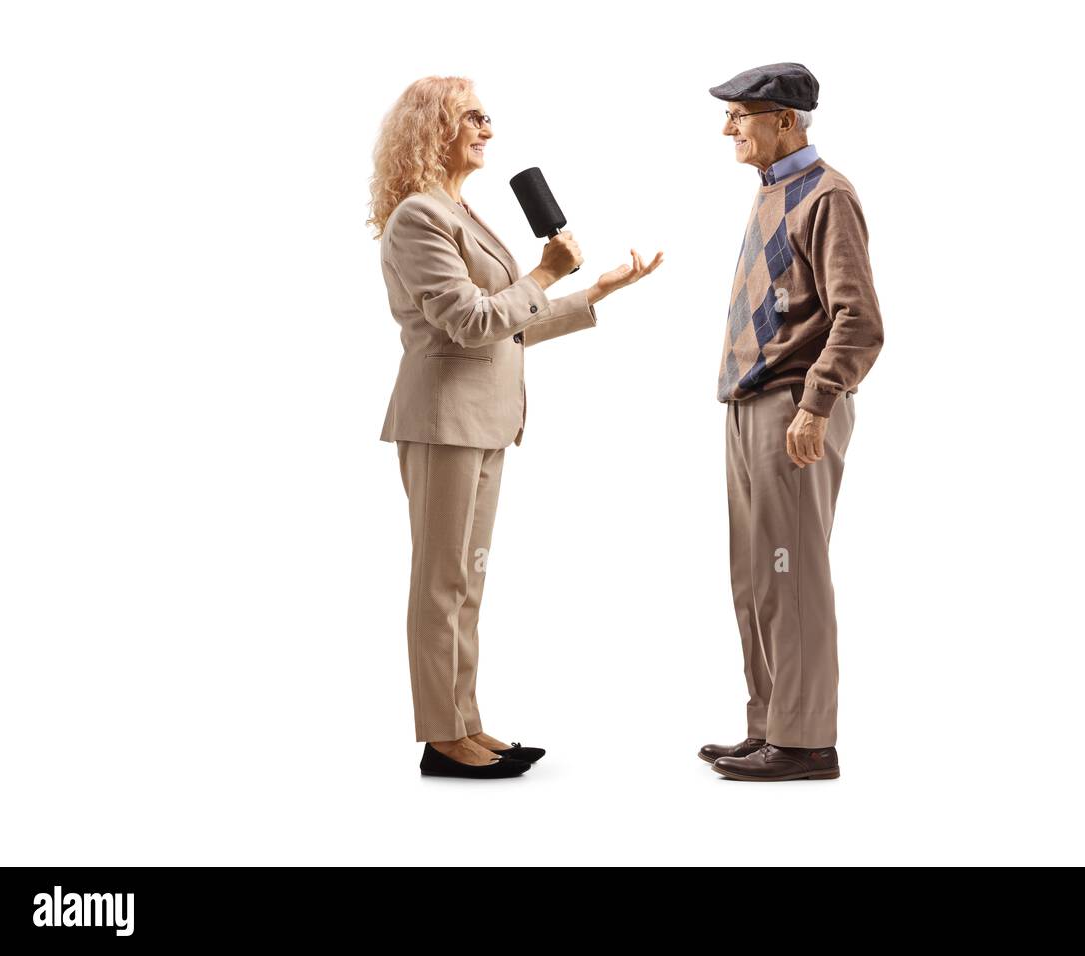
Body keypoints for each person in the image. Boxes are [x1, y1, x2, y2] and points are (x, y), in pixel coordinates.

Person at [367, 76, 662, 779]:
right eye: (473, 117)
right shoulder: (418, 218)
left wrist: (592, 291)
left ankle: (466, 722)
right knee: (441, 584)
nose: (488, 129)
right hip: (443, 421)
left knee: (466, 582)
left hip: (489, 421)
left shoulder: (459, 210)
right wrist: (545, 270)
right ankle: (443, 737)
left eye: (488, 117)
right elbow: (469, 324)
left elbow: (509, 326)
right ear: (432, 127)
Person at [697, 63, 884, 782]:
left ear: (786, 121)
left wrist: (818, 400)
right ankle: (770, 724)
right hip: (748, 405)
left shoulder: (827, 195)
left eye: (740, 115)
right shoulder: (773, 193)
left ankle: (806, 741)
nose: (728, 129)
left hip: (792, 408)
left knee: (791, 571)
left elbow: (859, 320)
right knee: (756, 576)